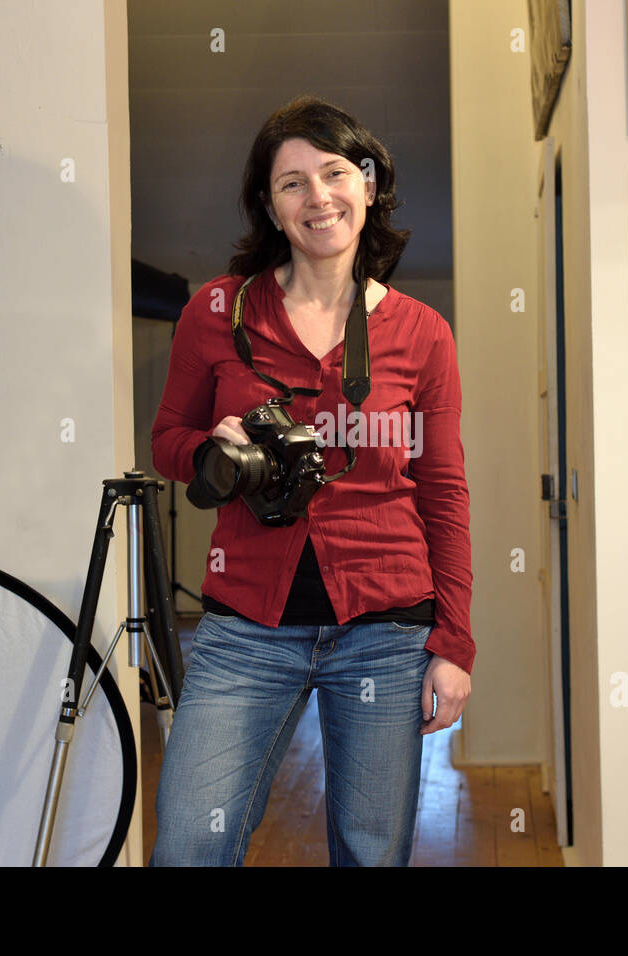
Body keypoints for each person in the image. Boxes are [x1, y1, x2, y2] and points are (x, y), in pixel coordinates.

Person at [148, 95, 473, 866]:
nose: (317, 196)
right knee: (192, 840)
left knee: (370, 851)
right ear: (269, 204)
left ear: (368, 186)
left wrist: (453, 643)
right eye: (291, 182)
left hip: (386, 631)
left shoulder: (423, 333)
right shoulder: (217, 312)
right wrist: (210, 454)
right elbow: (166, 440)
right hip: (243, 629)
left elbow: (444, 492)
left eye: (333, 173)